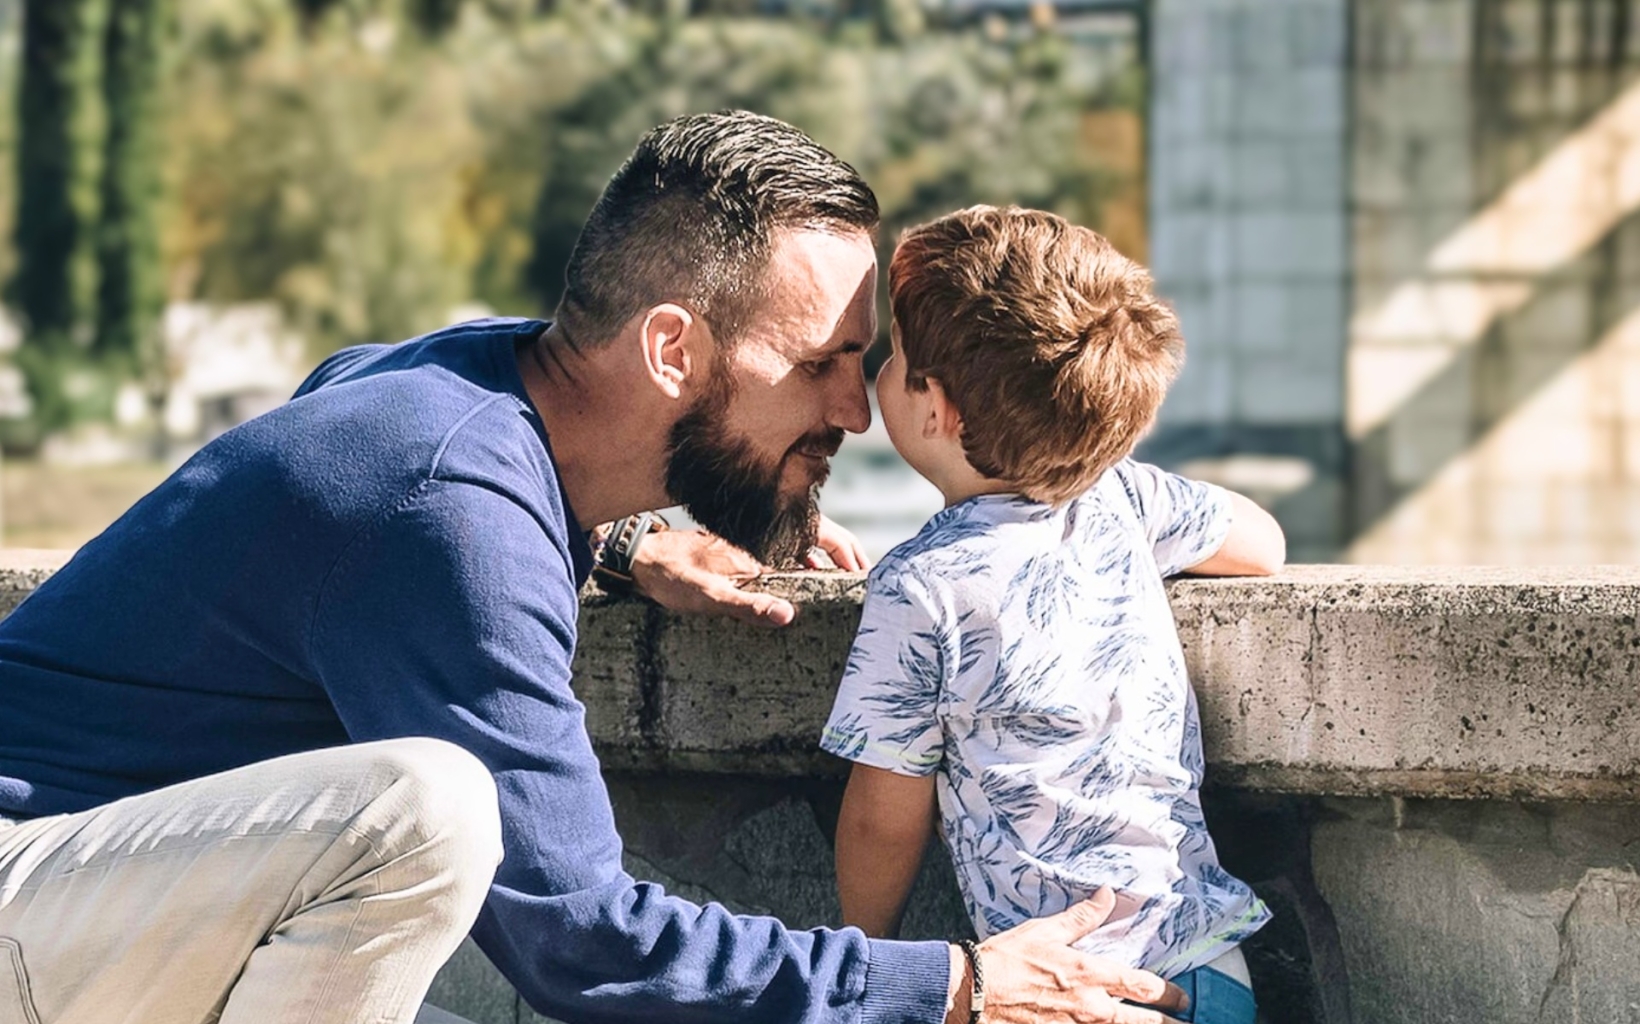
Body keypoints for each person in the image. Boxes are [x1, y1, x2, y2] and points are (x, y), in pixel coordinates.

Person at [0, 114, 1189, 1024]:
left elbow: (343, 382)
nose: (855, 412)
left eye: (863, 361)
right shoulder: (449, 511)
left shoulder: (458, 387)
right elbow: (581, 937)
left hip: (100, 908)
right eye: (821, 363)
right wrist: (952, 983)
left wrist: (612, 537)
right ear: (671, 346)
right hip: (27, 900)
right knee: (426, 806)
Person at [821, 206, 1288, 1024]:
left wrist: (869, 962)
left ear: (942, 412)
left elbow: (882, 817)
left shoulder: (920, 588)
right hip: (1212, 959)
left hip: (1067, 990)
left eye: (894, 357)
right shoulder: (1125, 496)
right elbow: (1263, 545)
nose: (877, 373)